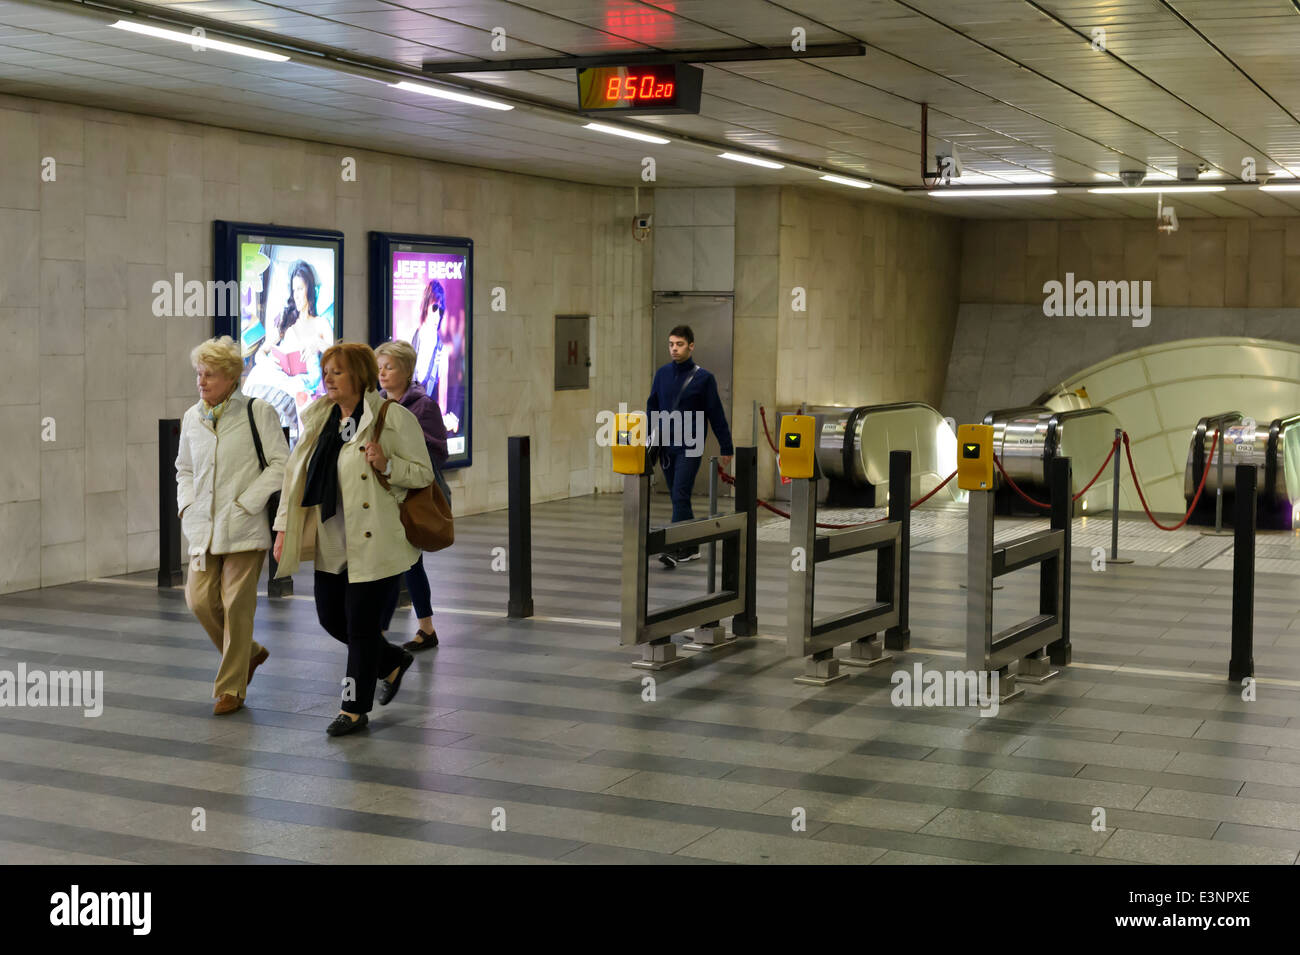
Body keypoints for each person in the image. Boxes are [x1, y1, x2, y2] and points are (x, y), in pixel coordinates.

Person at [272, 342, 434, 737]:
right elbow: (295, 479)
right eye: (326, 371)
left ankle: (352, 709)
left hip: (375, 540)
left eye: (337, 372)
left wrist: (387, 464)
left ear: (359, 376)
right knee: (331, 619)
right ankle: (391, 661)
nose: (328, 378)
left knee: (361, 627)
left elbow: (423, 474)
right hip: (331, 539)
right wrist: (282, 528)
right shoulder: (319, 419)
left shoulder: (392, 418)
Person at [175, 336, 288, 715]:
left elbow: (279, 465)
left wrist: (247, 502)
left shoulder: (258, 411)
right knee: (199, 600)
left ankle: (230, 688)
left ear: (231, 377)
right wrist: (187, 506)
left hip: (243, 525)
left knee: (236, 604)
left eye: (209, 375)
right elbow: (184, 470)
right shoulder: (192, 417)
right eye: (198, 374)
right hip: (202, 528)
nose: (201, 382)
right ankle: (250, 653)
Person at [376, 340, 448, 651]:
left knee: (409, 562)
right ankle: (418, 628)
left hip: (410, 494)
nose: (382, 373)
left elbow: (433, 454)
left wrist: (397, 457)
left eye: (389, 367)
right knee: (398, 562)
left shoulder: (422, 406)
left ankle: (423, 628)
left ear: (406, 372)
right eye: (379, 367)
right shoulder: (376, 404)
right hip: (383, 493)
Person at [646, 324, 733, 568]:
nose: (674, 349)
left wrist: (726, 447)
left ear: (691, 346)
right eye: (671, 344)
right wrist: (651, 435)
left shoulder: (704, 378)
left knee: (680, 493)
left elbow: (715, 414)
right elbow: (652, 404)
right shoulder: (662, 374)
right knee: (677, 497)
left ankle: (678, 549)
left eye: (680, 344)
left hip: (690, 445)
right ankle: (692, 545)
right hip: (666, 445)